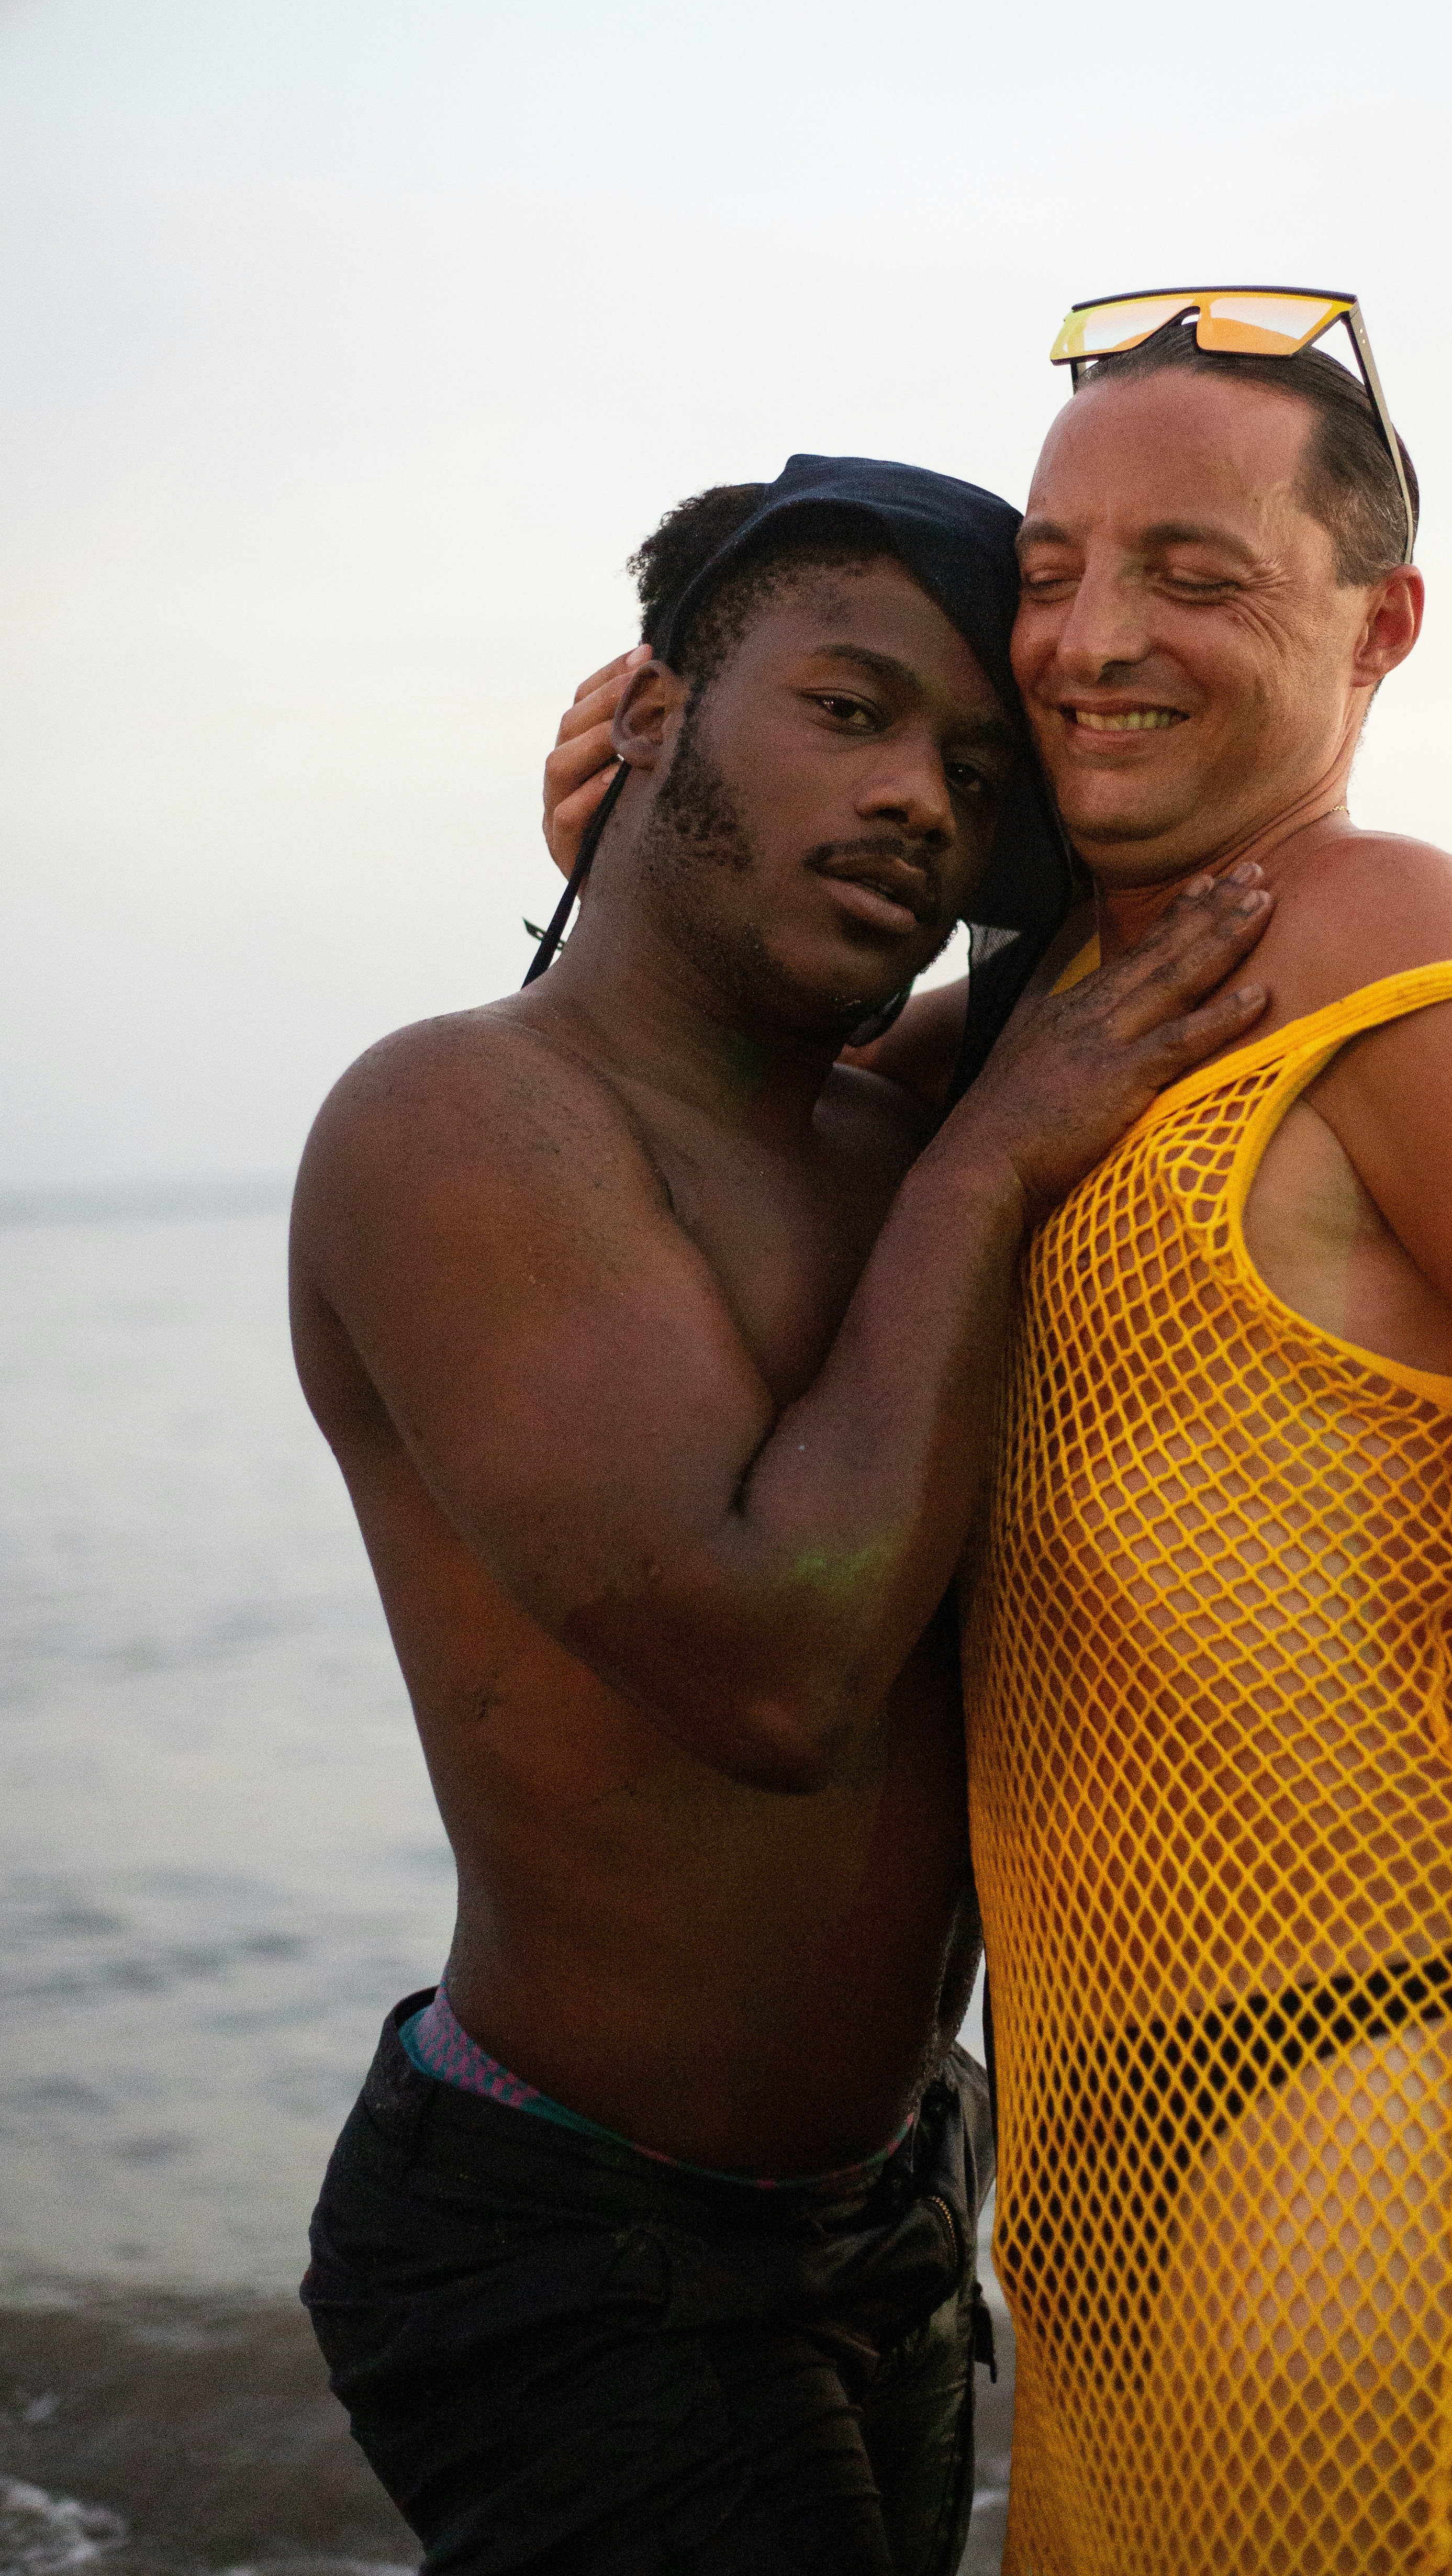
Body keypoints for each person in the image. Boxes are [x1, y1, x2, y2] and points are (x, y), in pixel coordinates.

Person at [544, 312, 1452, 2576]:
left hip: (1374, 2086)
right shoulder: (1063, 1015)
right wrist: (654, 854)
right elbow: (769, 1139)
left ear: (1378, 624)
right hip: (1094, 2143)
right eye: (1052, 568)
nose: (1095, 640)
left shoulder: (1379, 936)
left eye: (1196, 576)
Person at [292, 451, 1277, 2576]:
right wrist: (1001, 1160)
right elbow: (775, 1664)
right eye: (847, 710)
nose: (925, 797)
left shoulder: (890, 1122)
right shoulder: (458, 1121)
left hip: (896, 2205)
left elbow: (1157, 922)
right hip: (578, 2237)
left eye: (970, 773)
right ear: (648, 714)